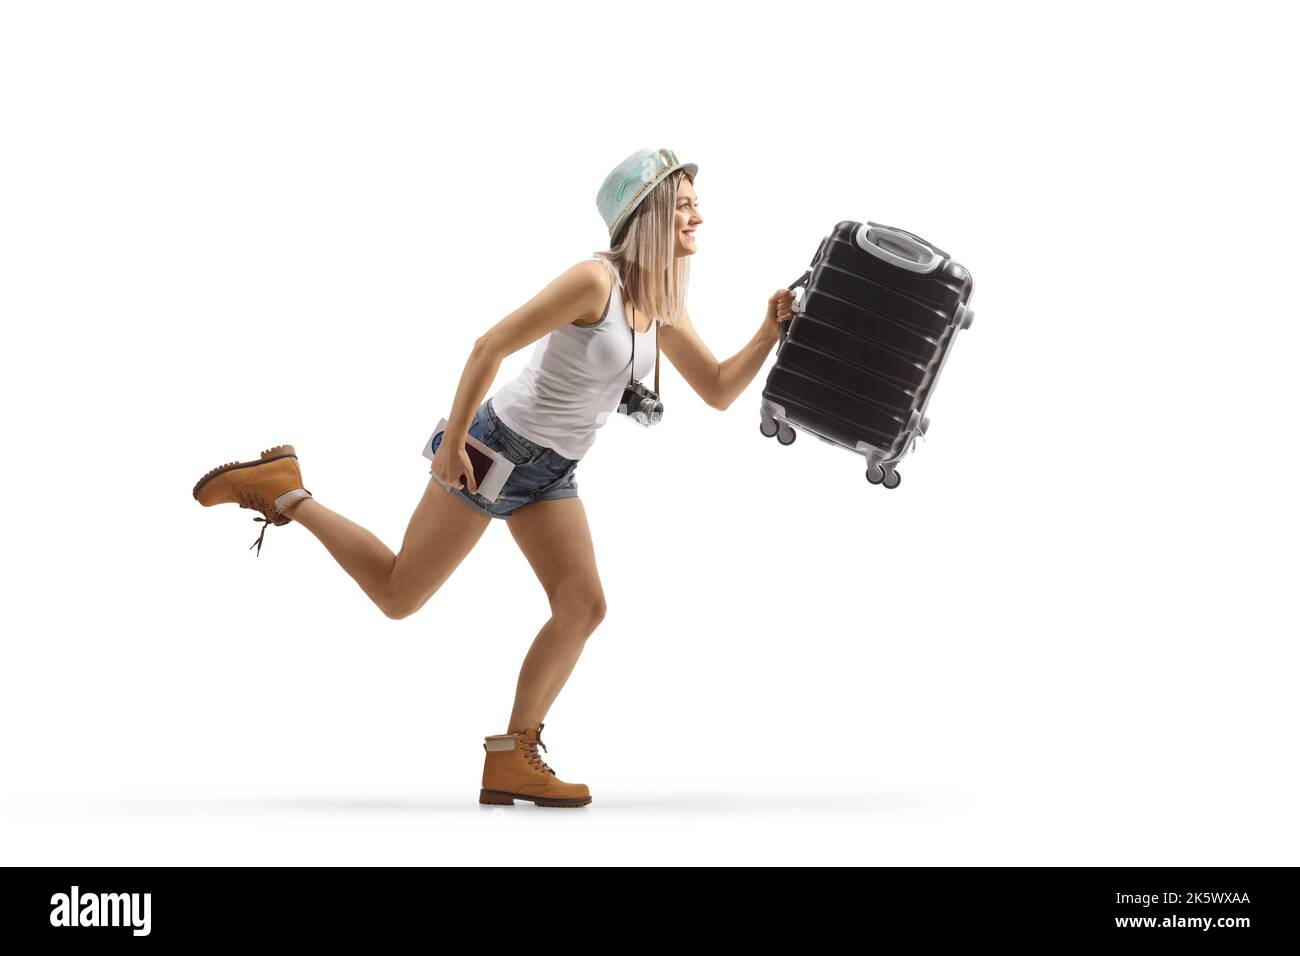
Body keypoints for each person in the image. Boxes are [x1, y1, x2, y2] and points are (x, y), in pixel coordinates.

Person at [192, 147, 795, 807]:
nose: (698, 217)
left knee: (583, 606)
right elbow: (489, 345)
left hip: (552, 471)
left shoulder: (662, 301)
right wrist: (453, 441)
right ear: (646, 216)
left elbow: (715, 389)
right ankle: (288, 491)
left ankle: (513, 756)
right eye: (683, 207)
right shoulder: (595, 281)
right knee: (398, 596)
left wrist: (768, 332)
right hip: (494, 449)